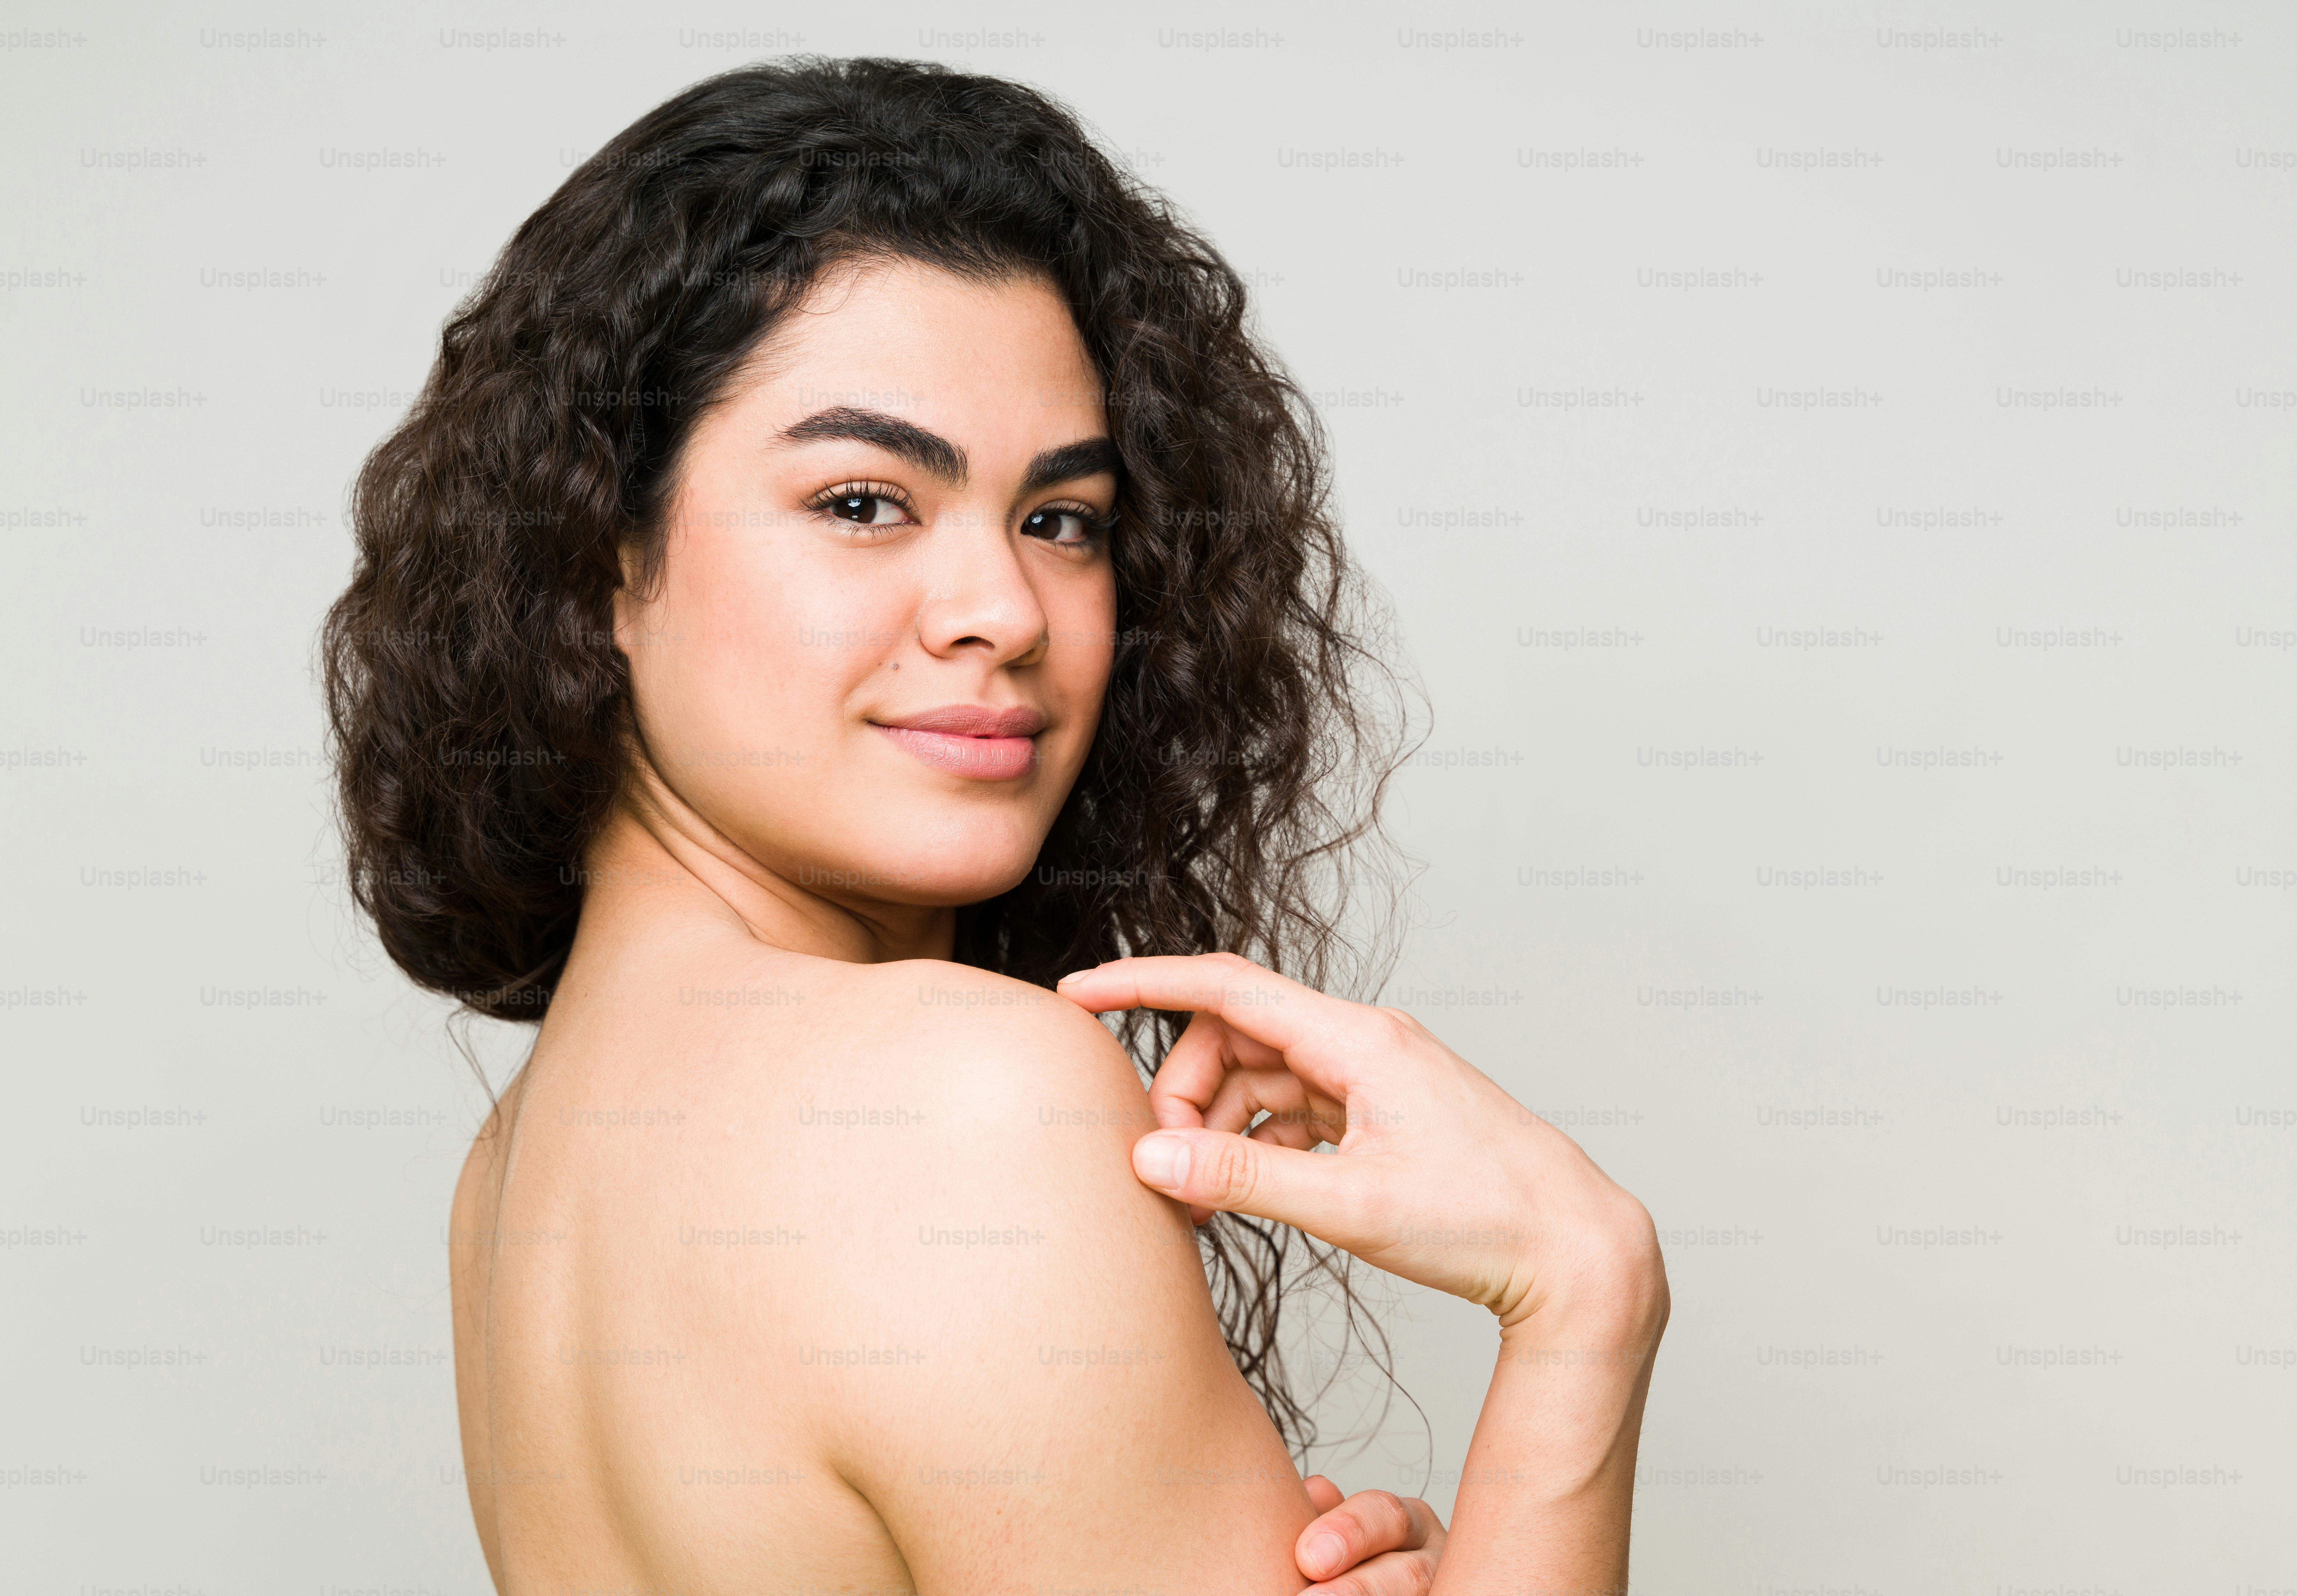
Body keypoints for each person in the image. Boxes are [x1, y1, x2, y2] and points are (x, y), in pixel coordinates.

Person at [322, 56, 1666, 1594]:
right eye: (862, 502)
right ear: (601, 558)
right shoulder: (958, 1108)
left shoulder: (524, 1163)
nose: (1003, 611)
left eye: (1058, 520)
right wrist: (1583, 1298)